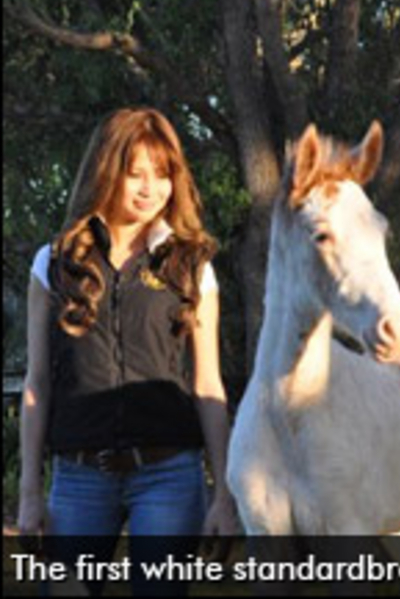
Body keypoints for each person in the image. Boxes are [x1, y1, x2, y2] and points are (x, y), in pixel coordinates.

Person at [17, 107, 238, 595]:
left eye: (163, 175)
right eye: (135, 173)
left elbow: (207, 385)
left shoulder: (191, 266)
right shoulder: (52, 264)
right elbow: (37, 384)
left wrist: (224, 493)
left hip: (169, 479)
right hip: (77, 481)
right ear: (106, 170)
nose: (150, 189)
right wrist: (30, 491)